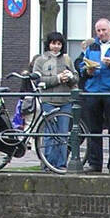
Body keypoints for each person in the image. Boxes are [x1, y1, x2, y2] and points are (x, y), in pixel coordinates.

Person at [76, 17, 110, 173]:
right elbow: (83, 66)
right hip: (93, 91)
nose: (101, 33)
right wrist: (87, 70)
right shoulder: (92, 47)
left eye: (104, 30)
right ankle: (95, 163)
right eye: (98, 31)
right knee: (94, 129)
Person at [30, 30, 78, 169]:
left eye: (58, 44)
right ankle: (48, 164)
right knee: (50, 134)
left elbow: (76, 78)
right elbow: (38, 80)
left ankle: (61, 165)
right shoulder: (40, 60)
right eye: (53, 43)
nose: (56, 47)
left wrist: (69, 77)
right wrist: (57, 79)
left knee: (63, 134)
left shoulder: (67, 59)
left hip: (65, 101)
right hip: (49, 101)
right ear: (48, 44)